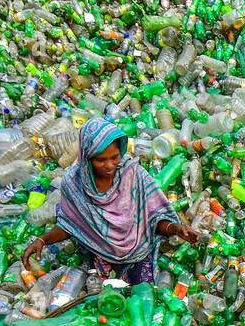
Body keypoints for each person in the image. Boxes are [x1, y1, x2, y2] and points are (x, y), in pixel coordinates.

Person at [22, 117, 198, 282]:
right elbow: (71, 225)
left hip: (138, 252)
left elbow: (154, 218)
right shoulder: (74, 183)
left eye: (115, 157)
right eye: (100, 160)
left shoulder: (134, 175)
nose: (109, 165)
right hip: (99, 252)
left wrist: (175, 228)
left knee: (143, 294)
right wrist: (42, 240)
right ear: (86, 157)